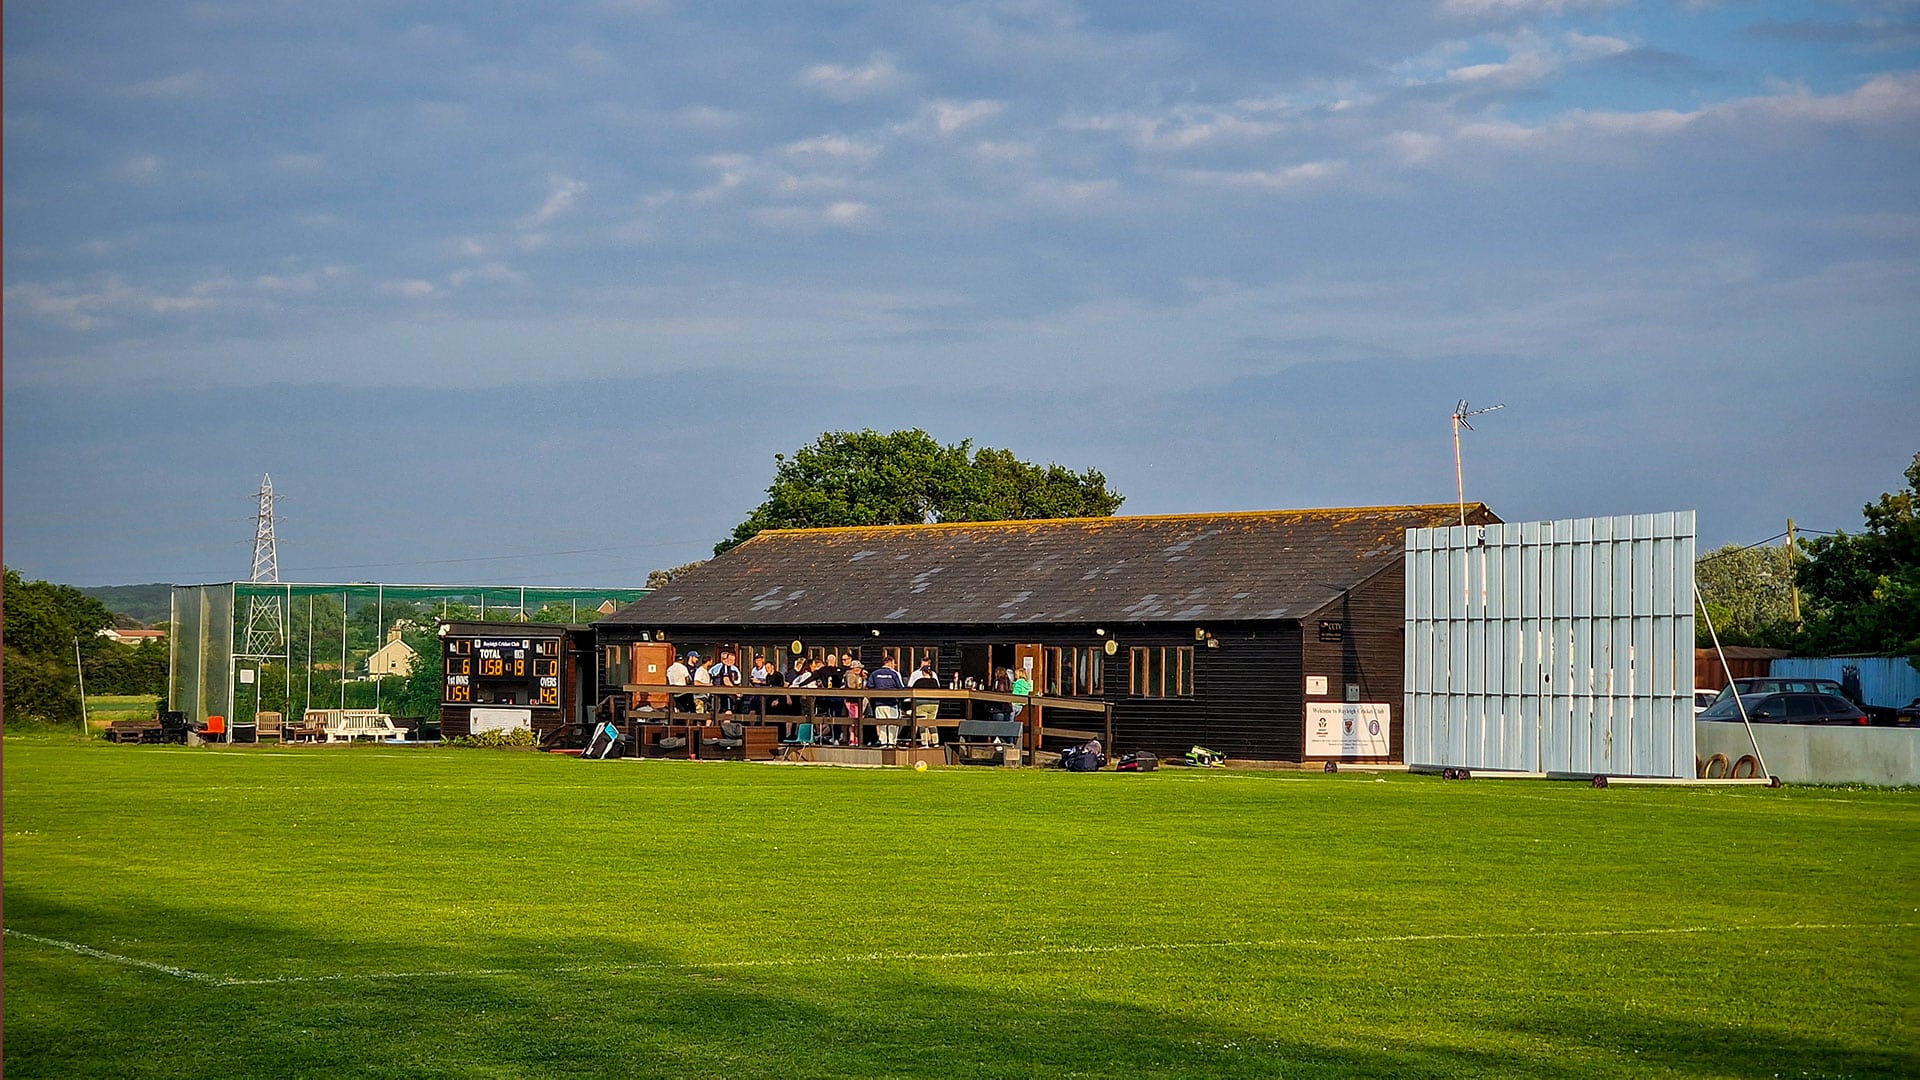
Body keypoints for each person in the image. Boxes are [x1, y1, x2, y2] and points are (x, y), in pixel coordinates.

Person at [866, 655, 907, 747]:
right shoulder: (894, 674)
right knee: (893, 723)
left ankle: (883, 742)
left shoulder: (875, 674)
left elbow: (869, 686)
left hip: (879, 703)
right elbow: (901, 687)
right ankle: (891, 743)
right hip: (892, 703)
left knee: (882, 724)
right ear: (891, 662)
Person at [909, 659, 943, 747]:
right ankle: (936, 742)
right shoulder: (934, 681)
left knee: (922, 723)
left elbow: (911, 691)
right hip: (934, 704)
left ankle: (924, 743)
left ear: (923, 673)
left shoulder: (919, 681)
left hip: (921, 703)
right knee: (932, 723)